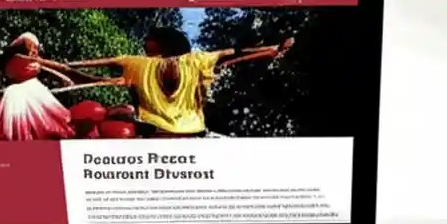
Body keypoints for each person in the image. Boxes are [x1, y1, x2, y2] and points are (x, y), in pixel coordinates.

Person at [39, 28, 296, 137]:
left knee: (113, 111)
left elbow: (77, 67)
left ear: (156, 45)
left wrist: (45, 62)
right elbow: (235, 53)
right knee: (116, 111)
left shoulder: (136, 63)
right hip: (192, 133)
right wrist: (273, 49)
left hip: (155, 135)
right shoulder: (198, 60)